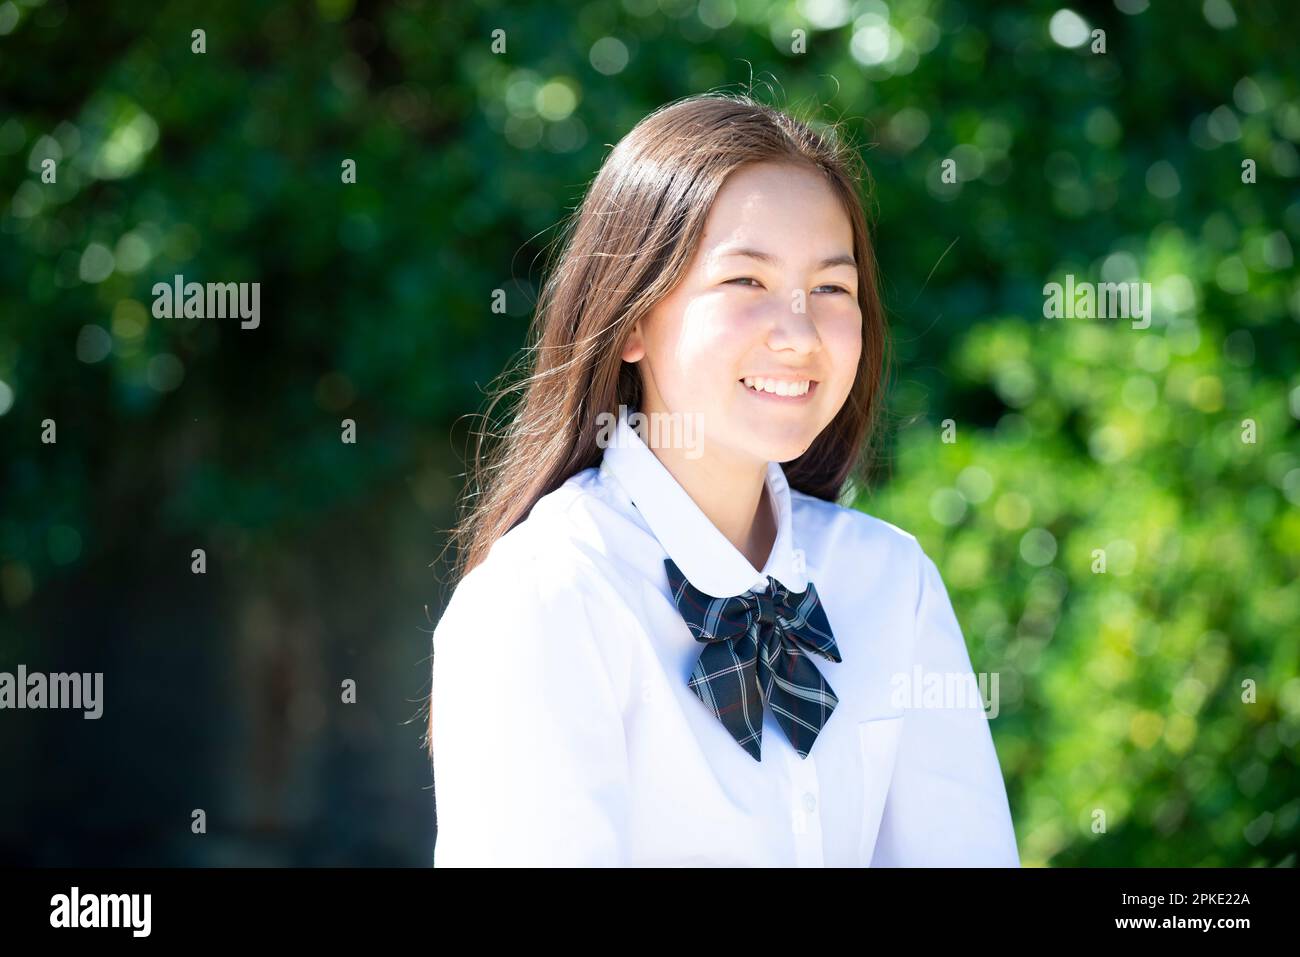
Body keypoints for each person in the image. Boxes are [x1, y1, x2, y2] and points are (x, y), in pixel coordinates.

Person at [428, 92, 1019, 867]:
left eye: (832, 289)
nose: (799, 332)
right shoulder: (550, 595)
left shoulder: (889, 579)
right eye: (746, 281)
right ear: (631, 318)